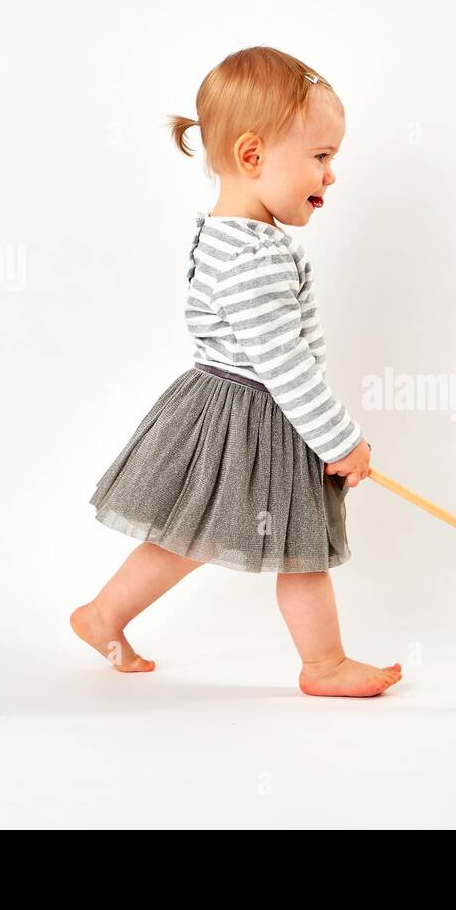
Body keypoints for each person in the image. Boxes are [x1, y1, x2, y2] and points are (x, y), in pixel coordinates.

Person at [72, 46, 401, 697]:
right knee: (297, 546)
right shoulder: (255, 256)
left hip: (234, 408)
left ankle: (103, 614)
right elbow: (285, 363)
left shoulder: (228, 234)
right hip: (254, 414)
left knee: (188, 535)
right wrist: (341, 441)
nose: (332, 175)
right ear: (253, 157)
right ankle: (324, 664)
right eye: (321, 156)